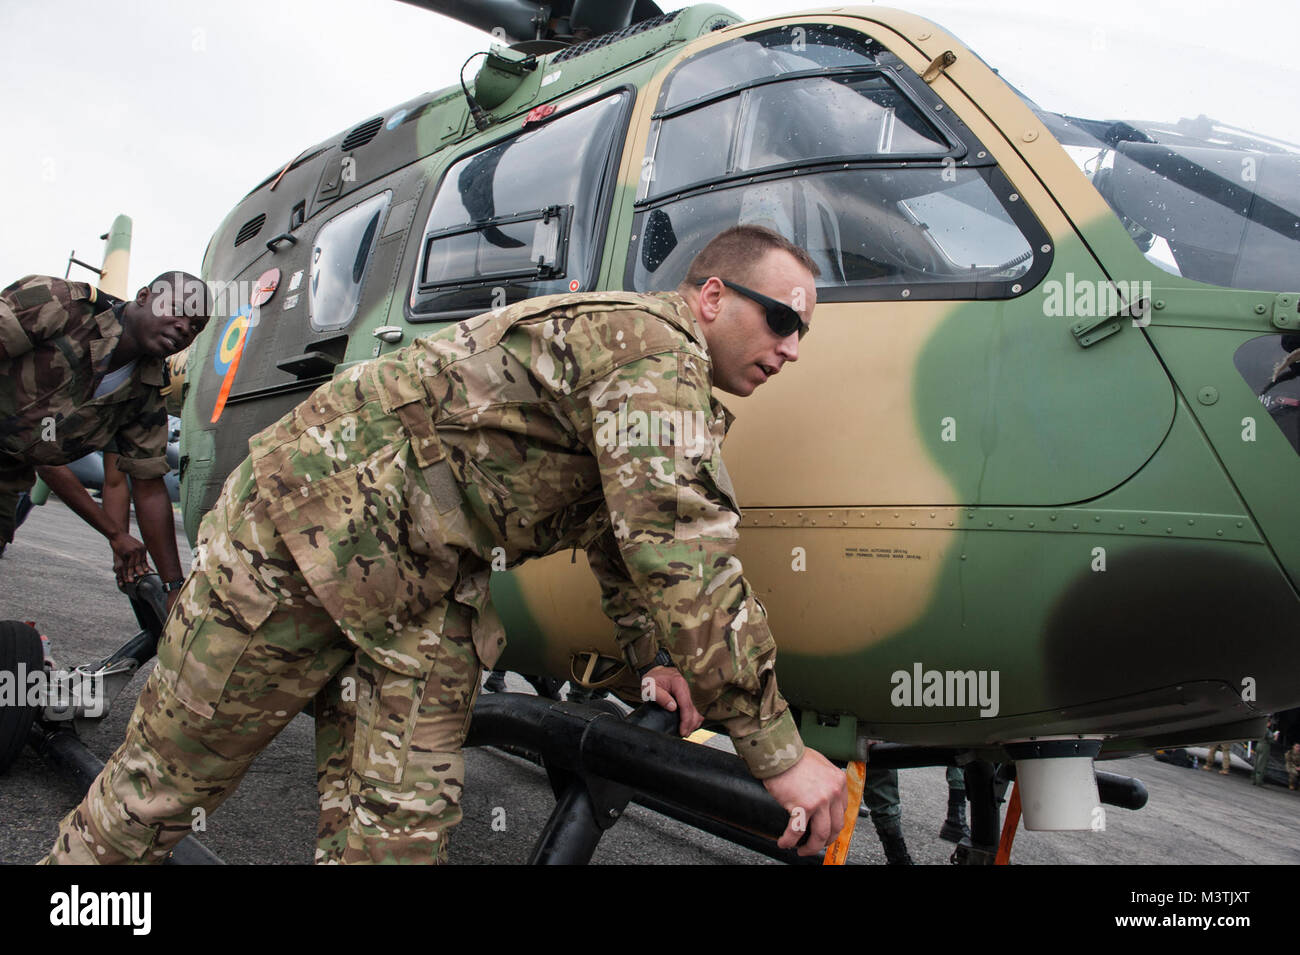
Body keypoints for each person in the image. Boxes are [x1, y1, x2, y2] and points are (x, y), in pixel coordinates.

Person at [46, 225, 849, 865]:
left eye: (803, 331)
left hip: (422, 590)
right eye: (781, 318)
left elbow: (620, 529)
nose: (792, 348)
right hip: (302, 547)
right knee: (157, 797)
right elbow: (685, 555)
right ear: (711, 296)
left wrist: (652, 653)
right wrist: (777, 752)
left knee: (399, 830)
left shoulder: (659, 371)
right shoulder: (652, 350)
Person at [0, 273, 206, 605]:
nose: (184, 328)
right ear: (142, 297)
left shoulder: (147, 390)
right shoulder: (62, 304)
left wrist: (173, 587)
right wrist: (114, 534)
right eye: (177, 310)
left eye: (196, 326)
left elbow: (147, 484)